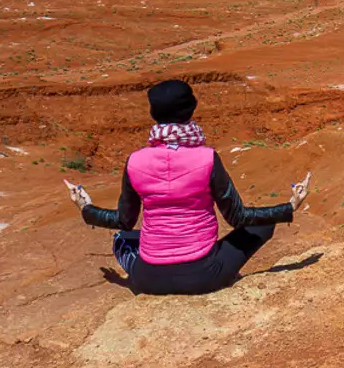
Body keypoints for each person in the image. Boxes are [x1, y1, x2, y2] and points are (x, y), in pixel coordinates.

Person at [64, 79, 310, 295]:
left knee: (122, 238)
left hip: (149, 278)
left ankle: (150, 270)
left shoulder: (135, 160)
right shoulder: (207, 158)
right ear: (191, 109)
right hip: (206, 275)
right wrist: (289, 206)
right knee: (263, 224)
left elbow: (124, 220)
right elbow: (238, 217)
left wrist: (86, 207)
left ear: (153, 114)